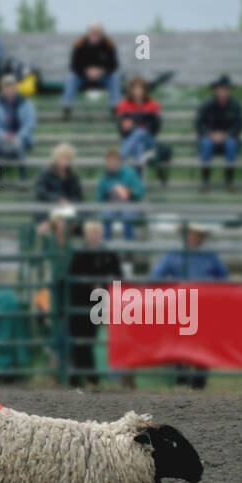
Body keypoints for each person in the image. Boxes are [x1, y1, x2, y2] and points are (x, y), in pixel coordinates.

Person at [150, 224, 228, 389]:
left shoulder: (209, 256)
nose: (194, 237)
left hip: (204, 305)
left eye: (197, 234)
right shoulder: (174, 254)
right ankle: (182, 381)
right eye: (191, 234)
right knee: (181, 344)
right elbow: (156, 277)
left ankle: (198, 383)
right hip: (181, 305)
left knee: (203, 344)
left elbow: (224, 278)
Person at [67, 220, 123, 387]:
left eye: (96, 233)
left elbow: (117, 276)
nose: (93, 236)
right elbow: (74, 278)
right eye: (91, 233)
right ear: (85, 235)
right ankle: (88, 378)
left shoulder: (108, 254)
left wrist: (101, 284)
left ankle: (99, 378)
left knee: (93, 339)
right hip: (85, 302)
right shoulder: (80, 254)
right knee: (83, 339)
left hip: (104, 300)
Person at [194, 74, 242, 189]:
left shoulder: (236, 105)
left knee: (231, 144)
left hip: (229, 138)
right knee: (205, 144)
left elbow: (239, 124)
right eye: (221, 89)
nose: (223, 92)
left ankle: (229, 181)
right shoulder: (206, 104)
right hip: (210, 138)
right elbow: (199, 123)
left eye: (226, 89)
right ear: (216, 90)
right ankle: (205, 181)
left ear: (230, 91)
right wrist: (209, 134)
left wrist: (227, 135)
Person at [62, 23, 120, 118]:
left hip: (103, 78)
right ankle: (66, 108)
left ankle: (115, 108)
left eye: (98, 32)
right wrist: (86, 71)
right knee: (71, 77)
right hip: (83, 78)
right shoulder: (79, 43)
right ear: (88, 33)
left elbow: (114, 65)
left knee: (114, 77)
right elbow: (73, 65)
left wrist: (101, 71)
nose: (95, 35)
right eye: (93, 32)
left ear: (102, 33)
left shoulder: (109, 44)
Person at [0, 73, 36, 181]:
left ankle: (23, 178)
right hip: (1, 139)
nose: (9, 90)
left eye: (12, 87)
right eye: (6, 87)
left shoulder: (26, 104)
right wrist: (2, 135)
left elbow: (30, 124)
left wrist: (18, 136)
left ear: (16, 88)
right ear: (2, 89)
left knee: (18, 144)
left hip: (21, 139)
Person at [95, 147, 144, 240]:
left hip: (128, 204)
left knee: (128, 216)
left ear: (119, 161)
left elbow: (140, 192)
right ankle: (107, 248)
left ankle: (129, 248)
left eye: (115, 160)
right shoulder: (104, 177)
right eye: (110, 161)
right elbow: (99, 198)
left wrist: (127, 191)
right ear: (106, 162)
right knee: (105, 216)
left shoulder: (130, 173)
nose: (113, 163)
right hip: (110, 205)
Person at [114, 76, 162, 164]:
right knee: (139, 146)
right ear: (131, 90)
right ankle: (140, 171)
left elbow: (155, 127)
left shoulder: (153, 105)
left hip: (148, 139)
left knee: (140, 132)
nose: (138, 91)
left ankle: (122, 157)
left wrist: (135, 124)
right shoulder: (123, 105)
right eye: (135, 89)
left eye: (140, 89)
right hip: (130, 139)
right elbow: (121, 128)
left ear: (145, 90)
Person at [35, 142, 84, 210]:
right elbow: (41, 192)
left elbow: (78, 196)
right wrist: (58, 199)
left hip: (69, 208)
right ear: (56, 158)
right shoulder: (46, 173)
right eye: (62, 157)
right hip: (49, 207)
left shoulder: (73, 175)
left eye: (68, 158)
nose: (65, 161)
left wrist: (69, 202)